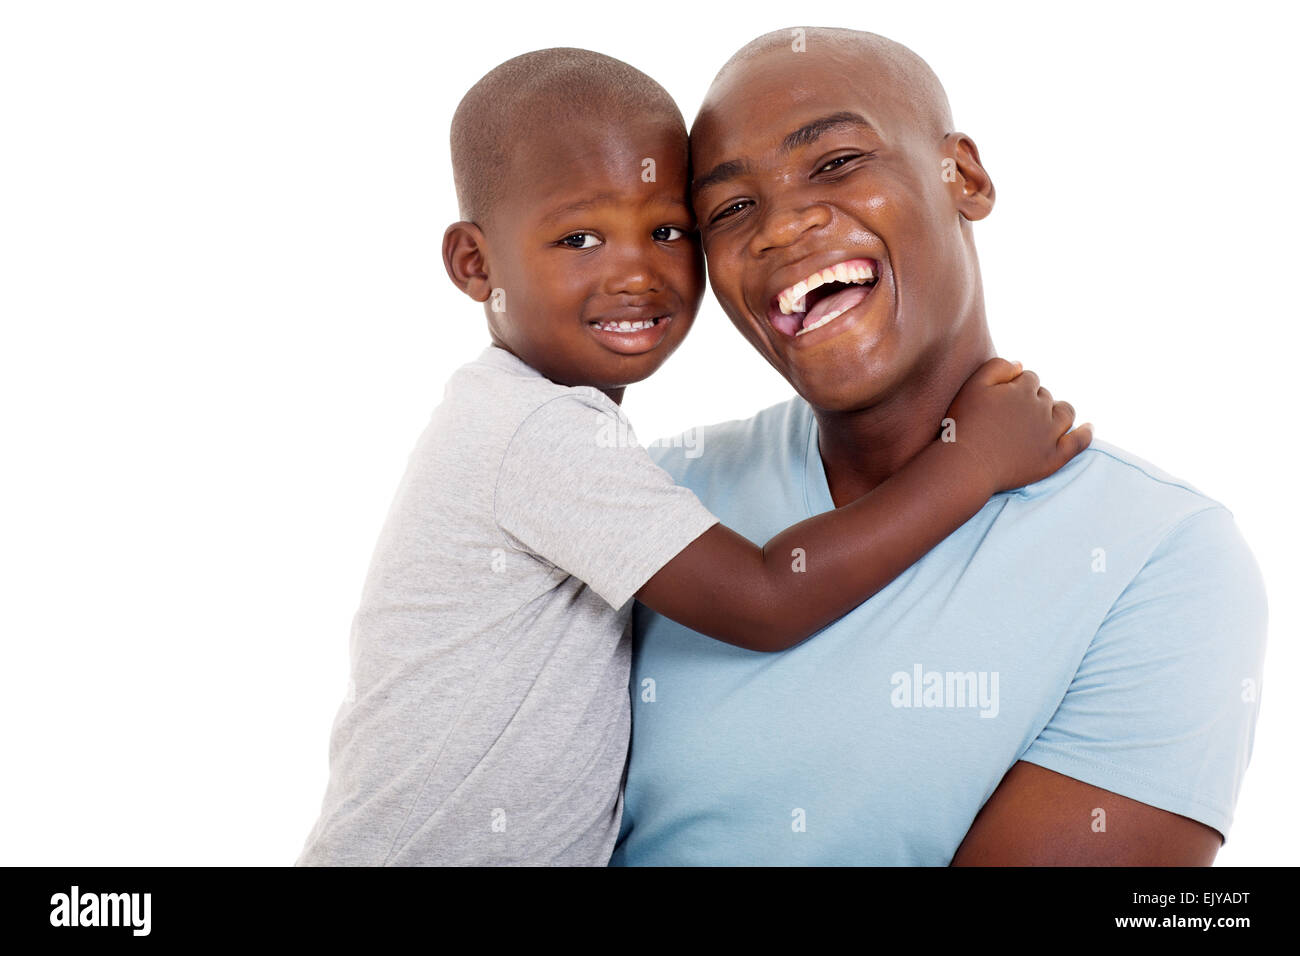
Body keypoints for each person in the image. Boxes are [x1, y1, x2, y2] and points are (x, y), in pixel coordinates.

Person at [295, 46, 1088, 866]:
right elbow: (765, 599)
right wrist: (973, 463)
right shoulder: (534, 434)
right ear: (475, 263)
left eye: (668, 230)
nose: (636, 271)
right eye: (578, 237)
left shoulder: (551, 428)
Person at [610, 27, 1268, 866]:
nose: (779, 228)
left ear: (965, 175)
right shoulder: (656, 496)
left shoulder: (1160, 558)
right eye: (731, 210)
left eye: (837, 161)